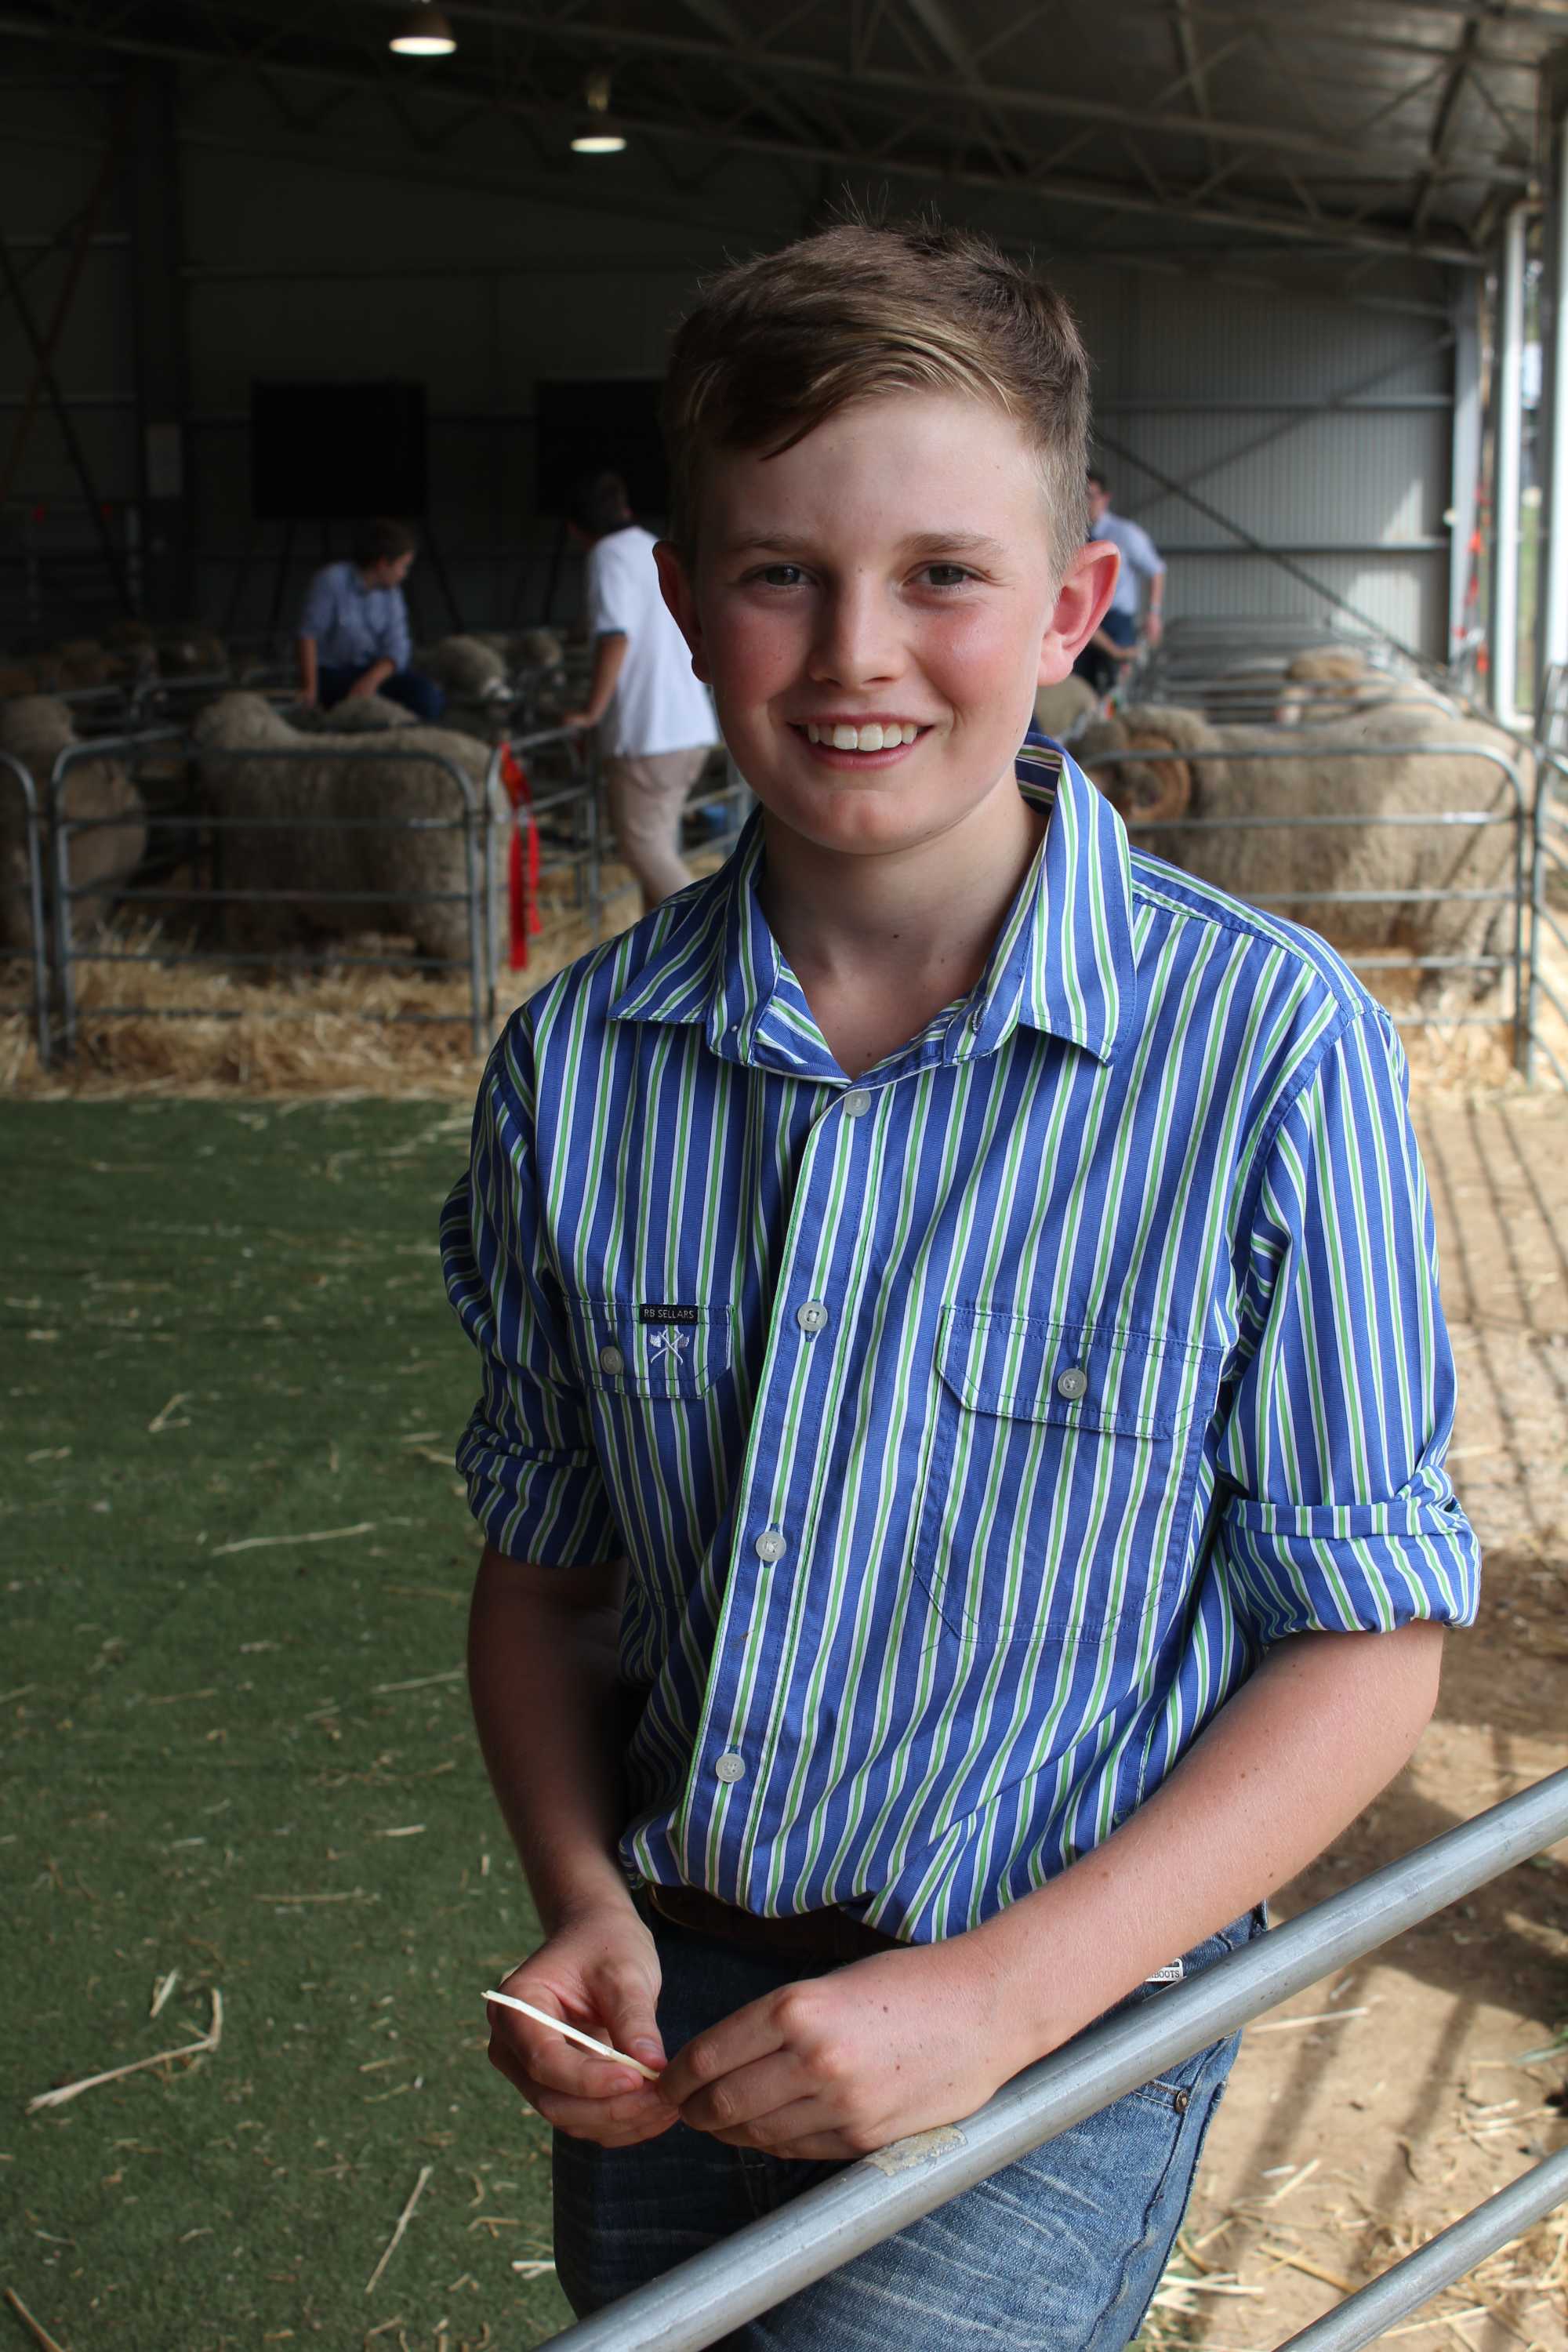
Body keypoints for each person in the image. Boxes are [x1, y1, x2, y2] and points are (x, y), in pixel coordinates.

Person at [441, 216, 1477, 2350]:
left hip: (1046, 2023)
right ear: (682, 604)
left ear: (1075, 607)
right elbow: (547, 1579)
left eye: (942, 577)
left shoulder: (1264, 1048)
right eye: (778, 573)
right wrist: (578, 1899)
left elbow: (1365, 1644)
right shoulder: (579, 1067)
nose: (854, 657)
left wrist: (998, 2003)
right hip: (679, 1997)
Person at [561, 467, 718, 912]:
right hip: (687, 726)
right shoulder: (648, 548)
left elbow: (616, 635)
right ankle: (667, 970)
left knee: (643, 851)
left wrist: (592, 712)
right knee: (658, 848)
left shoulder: (607, 556)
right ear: (622, 507)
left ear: (576, 529)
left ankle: (712, 949)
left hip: (647, 732)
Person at [295, 518, 446, 722]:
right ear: (383, 564)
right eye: (403, 566)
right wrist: (309, 688)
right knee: (344, 706)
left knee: (428, 696)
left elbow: (397, 646)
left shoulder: (393, 594)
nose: (404, 575)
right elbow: (309, 635)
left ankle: (410, 743)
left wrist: (371, 680)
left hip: (373, 670)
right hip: (332, 671)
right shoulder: (331, 581)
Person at [1071, 468, 1166, 696]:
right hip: (1083, 619)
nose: (1086, 503)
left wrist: (1153, 612)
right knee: (1080, 685)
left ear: (1105, 498)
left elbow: (1156, 569)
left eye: (1091, 496)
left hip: (1116, 621)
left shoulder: (1125, 534)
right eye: (1080, 496)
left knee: (1117, 684)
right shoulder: (1071, 537)